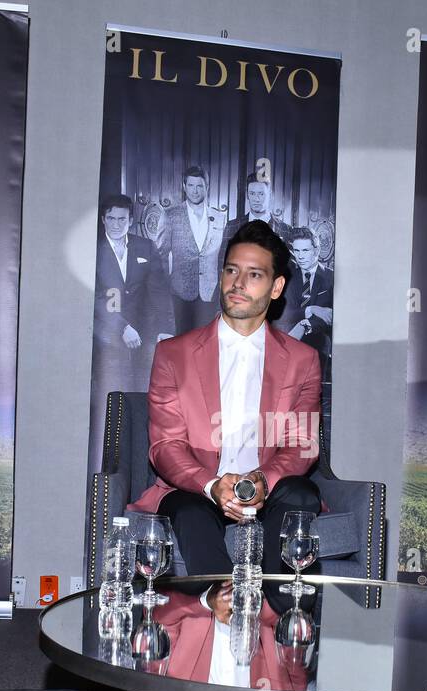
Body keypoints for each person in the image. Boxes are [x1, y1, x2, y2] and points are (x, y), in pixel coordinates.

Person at [131, 220, 323, 575]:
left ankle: (276, 613)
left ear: (277, 286)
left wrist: (263, 480)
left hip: (270, 487)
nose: (238, 283)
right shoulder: (174, 354)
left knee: (301, 495)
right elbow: (165, 445)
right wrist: (211, 484)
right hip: (196, 487)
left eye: (254, 275)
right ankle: (221, 601)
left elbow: (301, 443)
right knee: (188, 513)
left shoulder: (303, 360)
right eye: (231, 270)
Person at [91, 193, 173, 463]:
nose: (116, 224)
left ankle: (140, 456)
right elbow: (95, 297)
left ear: (130, 220)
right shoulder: (92, 248)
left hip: (144, 331)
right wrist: (122, 327)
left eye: (122, 219)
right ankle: (109, 459)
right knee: (114, 392)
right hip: (107, 332)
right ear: (103, 219)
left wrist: (165, 329)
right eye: (111, 218)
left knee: (144, 392)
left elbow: (160, 291)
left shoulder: (145, 248)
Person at [155, 166, 225, 336]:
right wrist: (164, 290)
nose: (195, 191)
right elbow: (160, 256)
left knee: (206, 344)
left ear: (207, 188)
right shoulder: (170, 215)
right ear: (184, 186)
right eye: (191, 185)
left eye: (199, 186)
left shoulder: (219, 218)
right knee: (181, 343)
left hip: (211, 294)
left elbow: (223, 259)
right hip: (180, 293)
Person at [224, 176, 291, 248]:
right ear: (247, 195)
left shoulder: (285, 229)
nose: (256, 199)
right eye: (252, 193)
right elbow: (223, 258)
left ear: (270, 195)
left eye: (261, 194)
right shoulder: (231, 226)